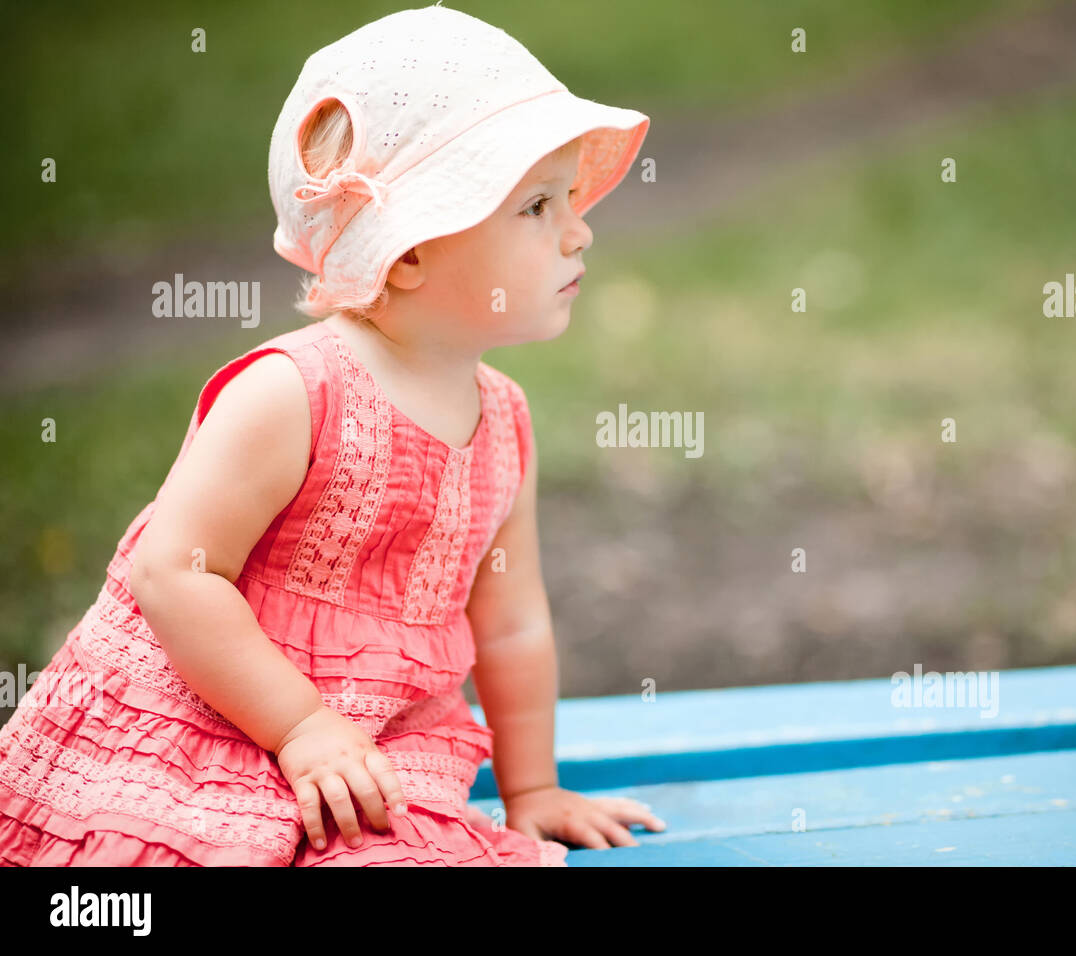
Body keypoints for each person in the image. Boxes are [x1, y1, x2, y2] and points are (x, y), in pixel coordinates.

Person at [0, 3, 666, 866]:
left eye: (568, 200)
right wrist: (303, 725)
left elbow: (510, 625)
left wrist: (531, 789)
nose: (579, 230)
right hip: (216, 719)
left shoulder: (503, 418)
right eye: (537, 206)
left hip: (378, 747)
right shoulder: (295, 391)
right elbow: (173, 575)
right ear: (410, 251)